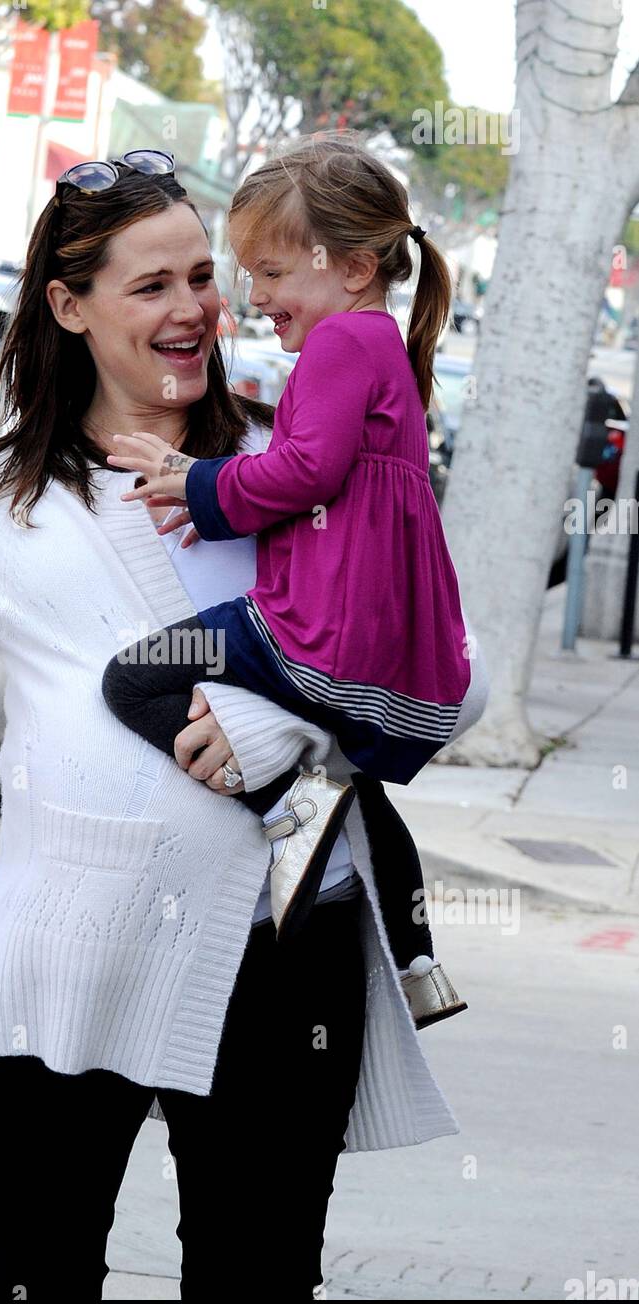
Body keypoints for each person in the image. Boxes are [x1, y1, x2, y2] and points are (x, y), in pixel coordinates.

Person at [0, 148, 489, 1302]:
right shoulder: (2, 499)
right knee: (36, 1281)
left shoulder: (287, 455)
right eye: (152, 285)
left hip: (285, 954)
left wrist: (289, 731)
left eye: (204, 277)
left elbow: (439, 667)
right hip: (74, 950)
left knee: (257, 1287)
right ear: (69, 307)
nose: (195, 310)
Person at [102, 132, 470, 997]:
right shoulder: (383, 348)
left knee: (133, 681)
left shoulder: (340, 347)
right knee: (354, 784)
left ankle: (277, 805)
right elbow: (327, 494)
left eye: (270, 273)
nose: (253, 295)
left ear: (349, 267)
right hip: (374, 650)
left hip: (309, 634)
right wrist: (223, 505)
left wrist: (196, 483)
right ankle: (416, 961)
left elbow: (306, 470)